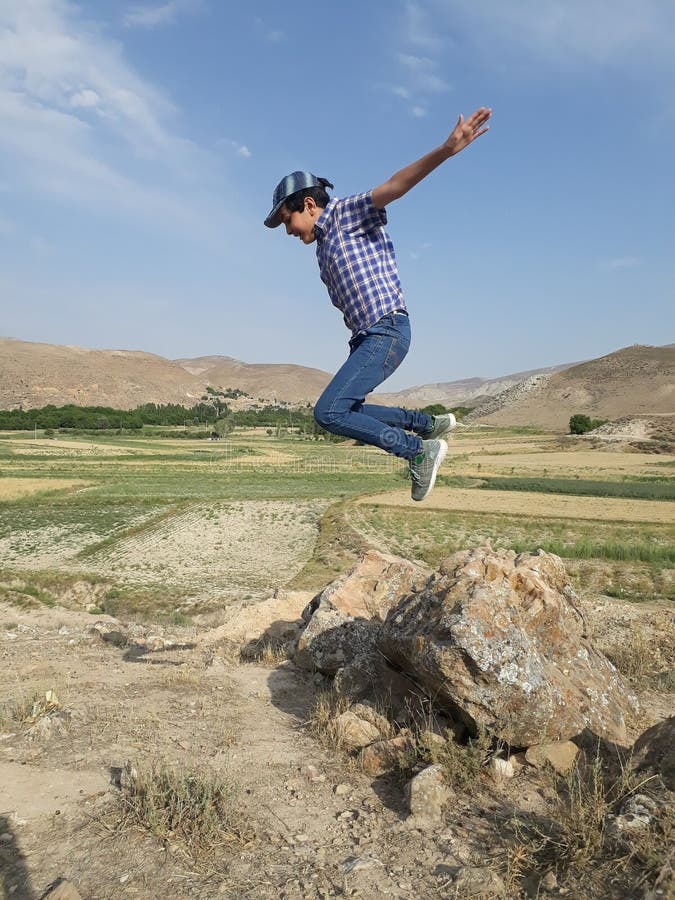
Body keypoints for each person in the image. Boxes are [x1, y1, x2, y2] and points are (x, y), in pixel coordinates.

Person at [264, 107, 492, 501]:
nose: (287, 231)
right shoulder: (322, 248)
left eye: (287, 220)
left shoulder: (346, 213)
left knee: (329, 412)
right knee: (347, 408)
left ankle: (418, 451)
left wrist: (446, 149)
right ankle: (427, 425)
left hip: (386, 329)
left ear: (308, 205)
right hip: (370, 337)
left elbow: (395, 185)